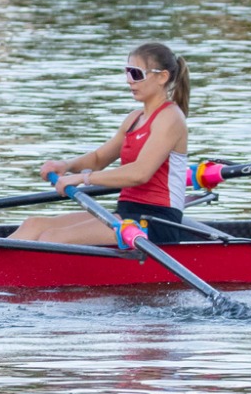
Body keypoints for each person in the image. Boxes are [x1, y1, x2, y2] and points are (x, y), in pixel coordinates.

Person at [12, 43, 193, 247]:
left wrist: (83, 178)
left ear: (162, 77)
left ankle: (10, 276)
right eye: (127, 72)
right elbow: (98, 159)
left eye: (136, 73)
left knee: (53, 238)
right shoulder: (134, 118)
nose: (129, 80)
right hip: (127, 214)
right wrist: (65, 165)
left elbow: (140, 173)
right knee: (34, 225)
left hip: (158, 222)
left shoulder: (170, 117)